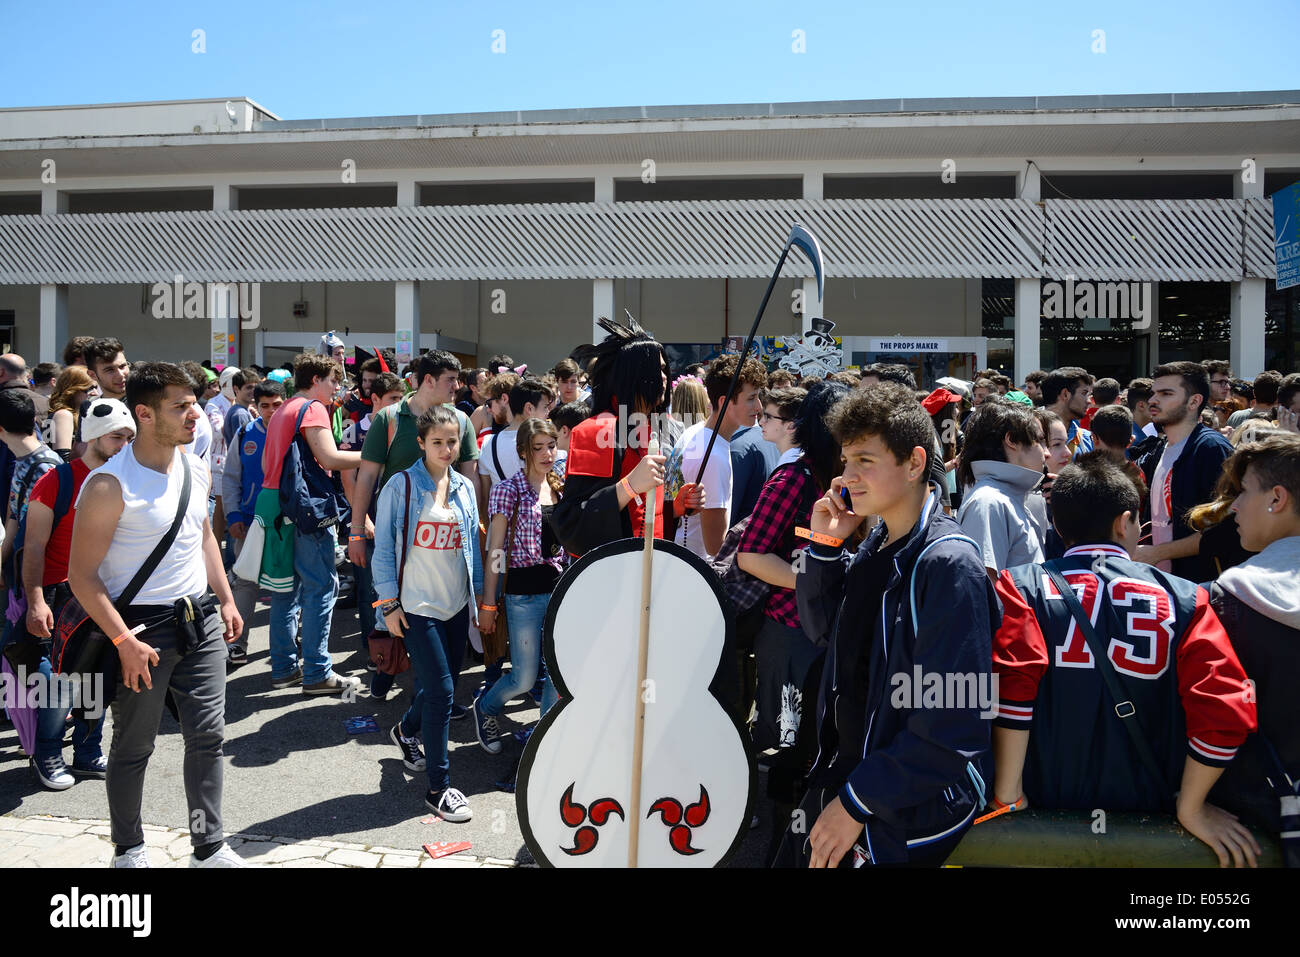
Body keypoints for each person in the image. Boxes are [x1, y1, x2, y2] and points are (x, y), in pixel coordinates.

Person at [989, 455, 1259, 867]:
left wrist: (1008, 794)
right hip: (1152, 812)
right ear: (1125, 522)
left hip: (1045, 810)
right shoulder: (1188, 597)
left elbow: (1012, 693)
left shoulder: (1019, 586)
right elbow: (1225, 707)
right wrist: (1192, 806)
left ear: (1058, 526)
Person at [775, 383, 998, 867]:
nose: (847, 476)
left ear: (915, 463)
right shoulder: (876, 544)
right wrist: (824, 548)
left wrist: (858, 801)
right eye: (846, 461)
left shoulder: (948, 563)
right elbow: (824, 635)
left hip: (899, 811)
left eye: (865, 461)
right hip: (853, 780)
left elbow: (953, 724)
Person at [68, 363, 245, 868]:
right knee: (134, 745)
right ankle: (129, 849)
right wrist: (124, 641)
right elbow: (82, 577)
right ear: (144, 414)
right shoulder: (109, 485)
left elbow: (204, 536)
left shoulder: (196, 465)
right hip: (140, 631)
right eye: (180, 406)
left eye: (194, 403)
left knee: (208, 736)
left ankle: (208, 848)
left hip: (202, 620)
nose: (195, 414)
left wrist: (226, 598)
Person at [373, 406, 483, 821]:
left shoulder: (464, 488)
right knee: (441, 695)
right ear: (421, 443)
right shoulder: (400, 486)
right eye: (437, 441)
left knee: (444, 688)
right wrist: (388, 604)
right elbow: (384, 549)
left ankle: (405, 731)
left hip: (455, 605)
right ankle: (438, 788)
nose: (446, 448)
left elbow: (470, 546)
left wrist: (477, 602)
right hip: (417, 607)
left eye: (452, 441)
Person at [21, 399, 135, 788]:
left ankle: (87, 750)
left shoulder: (128, 479)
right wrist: (36, 600)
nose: (124, 445)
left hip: (109, 592)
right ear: (92, 436)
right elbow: (34, 546)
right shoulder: (58, 479)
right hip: (61, 592)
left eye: (128, 437)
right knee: (62, 680)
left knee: (101, 676)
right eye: (116, 437)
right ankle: (48, 751)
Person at [1206, 434, 1300, 847]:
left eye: (1243, 492)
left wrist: (1190, 802)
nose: (1234, 507)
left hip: (1255, 816)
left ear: (1276, 498)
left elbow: (1215, 716)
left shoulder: (1230, 599)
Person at [737, 382, 834, 755]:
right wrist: (814, 584)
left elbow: (752, 554)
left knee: (799, 735)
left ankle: (790, 807)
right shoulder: (799, 475)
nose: (761, 421)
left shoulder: (811, 475)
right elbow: (751, 554)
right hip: (791, 626)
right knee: (784, 735)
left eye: (768, 416)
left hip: (809, 627)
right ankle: (779, 811)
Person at [551, 319, 700, 556]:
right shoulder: (598, 431)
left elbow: (642, 515)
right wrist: (629, 486)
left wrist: (674, 508)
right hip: (612, 578)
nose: (664, 377)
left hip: (651, 570)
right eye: (656, 369)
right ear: (634, 375)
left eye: (664, 369)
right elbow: (571, 524)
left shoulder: (653, 427)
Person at [259, 353, 362, 695]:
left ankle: (285, 667)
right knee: (321, 587)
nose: (336, 388)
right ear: (316, 379)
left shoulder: (282, 410)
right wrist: (375, 454)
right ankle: (318, 672)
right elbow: (330, 457)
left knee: (286, 590)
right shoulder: (313, 408)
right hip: (302, 506)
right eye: (333, 381)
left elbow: (265, 462)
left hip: (274, 501)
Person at [472, 418, 566, 753]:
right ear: (523, 452)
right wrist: (488, 602)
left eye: (550, 445)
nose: (546, 453)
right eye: (537, 447)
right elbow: (496, 549)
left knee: (556, 675)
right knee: (523, 678)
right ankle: (485, 708)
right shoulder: (507, 490)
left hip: (559, 592)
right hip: (522, 595)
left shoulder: (560, 486)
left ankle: (544, 745)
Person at [1133, 361, 1233, 580]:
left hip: (1197, 587)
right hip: (1164, 584)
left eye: (1166, 393)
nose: (1153, 400)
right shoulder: (1161, 448)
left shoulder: (1210, 449)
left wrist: (1157, 553)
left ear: (1194, 401)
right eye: (1153, 393)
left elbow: (1223, 531)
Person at [668, 355, 766, 560]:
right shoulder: (714, 455)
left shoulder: (695, 432)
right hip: (696, 573)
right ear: (724, 402)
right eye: (751, 398)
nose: (759, 407)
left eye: (758, 397)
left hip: (681, 562)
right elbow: (715, 547)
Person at [221, 381, 285, 667]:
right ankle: (237, 643)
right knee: (245, 584)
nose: (271, 411)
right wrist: (232, 515)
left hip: (286, 523)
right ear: (255, 407)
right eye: (265, 406)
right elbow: (231, 477)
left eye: (277, 405)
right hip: (248, 523)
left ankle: (287, 643)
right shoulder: (245, 433)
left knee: (286, 585)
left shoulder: (296, 433)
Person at [956, 400, 1047, 579]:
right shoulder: (989, 502)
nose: (1047, 452)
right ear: (1012, 440)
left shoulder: (1001, 497)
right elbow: (984, 590)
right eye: (1039, 441)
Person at [1, 390, 63, 595]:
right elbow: (14, 513)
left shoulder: (47, 468)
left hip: (41, 581)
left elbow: (47, 535)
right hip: (19, 570)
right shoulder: (21, 459)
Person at [478, 377, 555, 493]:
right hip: (541, 508)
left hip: (502, 509)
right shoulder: (548, 444)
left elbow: (485, 493)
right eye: (545, 407)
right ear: (529, 408)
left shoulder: (488, 443)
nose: (548, 413)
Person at [47, 366, 97, 461]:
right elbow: (62, 458)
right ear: (73, 390)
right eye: (89, 389)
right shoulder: (64, 415)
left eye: (95, 388)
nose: (95, 393)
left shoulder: (72, 414)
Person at [1042, 366, 1094, 457]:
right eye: (1084, 393)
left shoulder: (1088, 439)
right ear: (1065, 394)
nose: (1089, 401)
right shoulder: (1027, 436)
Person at [1126, 377, 1157, 445]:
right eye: (1154, 404)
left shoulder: (1123, 431)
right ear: (1141, 406)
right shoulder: (1133, 441)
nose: (1160, 407)